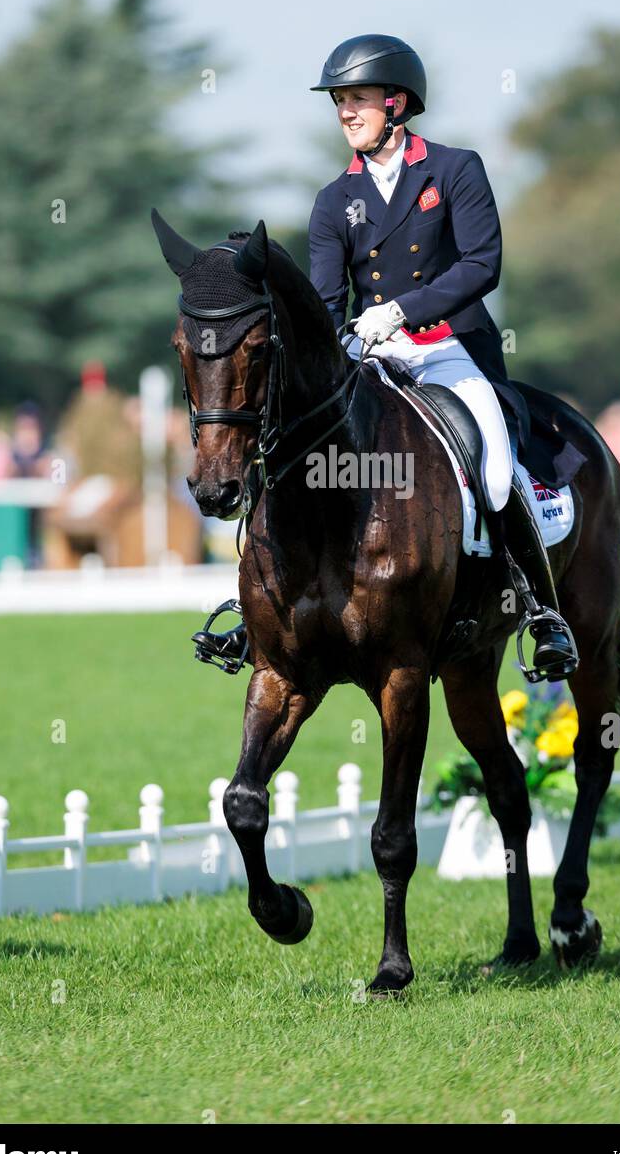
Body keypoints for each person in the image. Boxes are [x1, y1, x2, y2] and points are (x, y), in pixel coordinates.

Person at [199, 35, 577, 679]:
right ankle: (256, 604)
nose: (346, 112)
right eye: (340, 101)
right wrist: (339, 336)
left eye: (359, 100)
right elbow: (324, 297)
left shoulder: (456, 170)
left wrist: (403, 311)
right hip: (373, 355)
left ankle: (542, 611)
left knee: (491, 465)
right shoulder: (332, 200)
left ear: (396, 103)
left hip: (451, 349)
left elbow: (483, 265)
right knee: (294, 443)